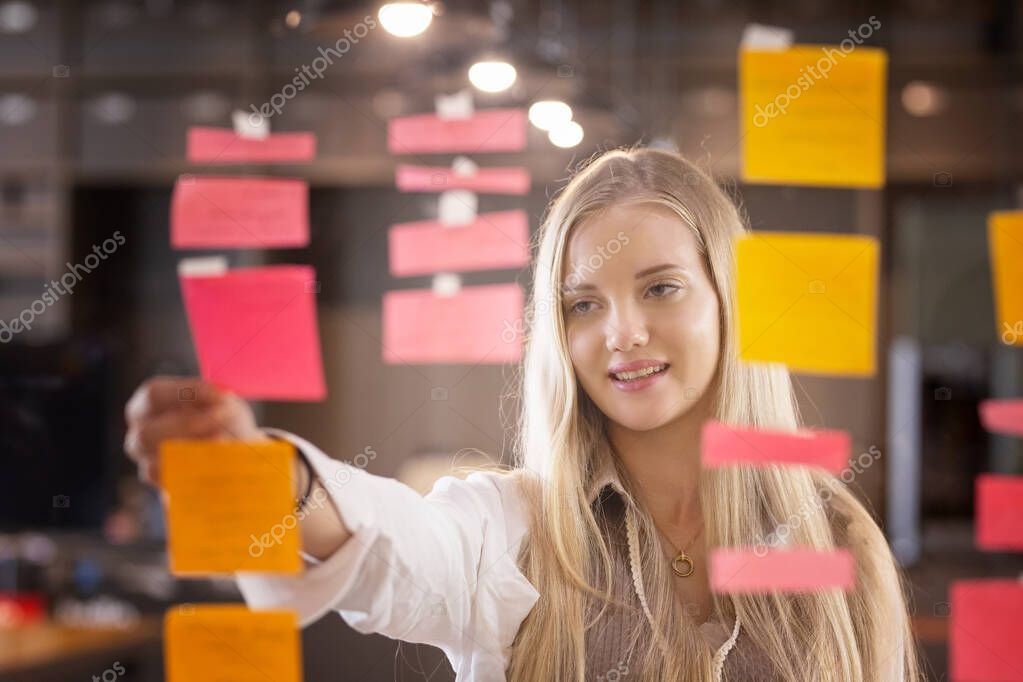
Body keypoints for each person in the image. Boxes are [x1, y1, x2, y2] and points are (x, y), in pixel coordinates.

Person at [124, 147, 920, 681]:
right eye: (582, 304)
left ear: (729, 301)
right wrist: (268, 476)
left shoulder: (829, 537)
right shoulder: (515, 532)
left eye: (660, 288)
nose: (621, 333)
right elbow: (391, 549)